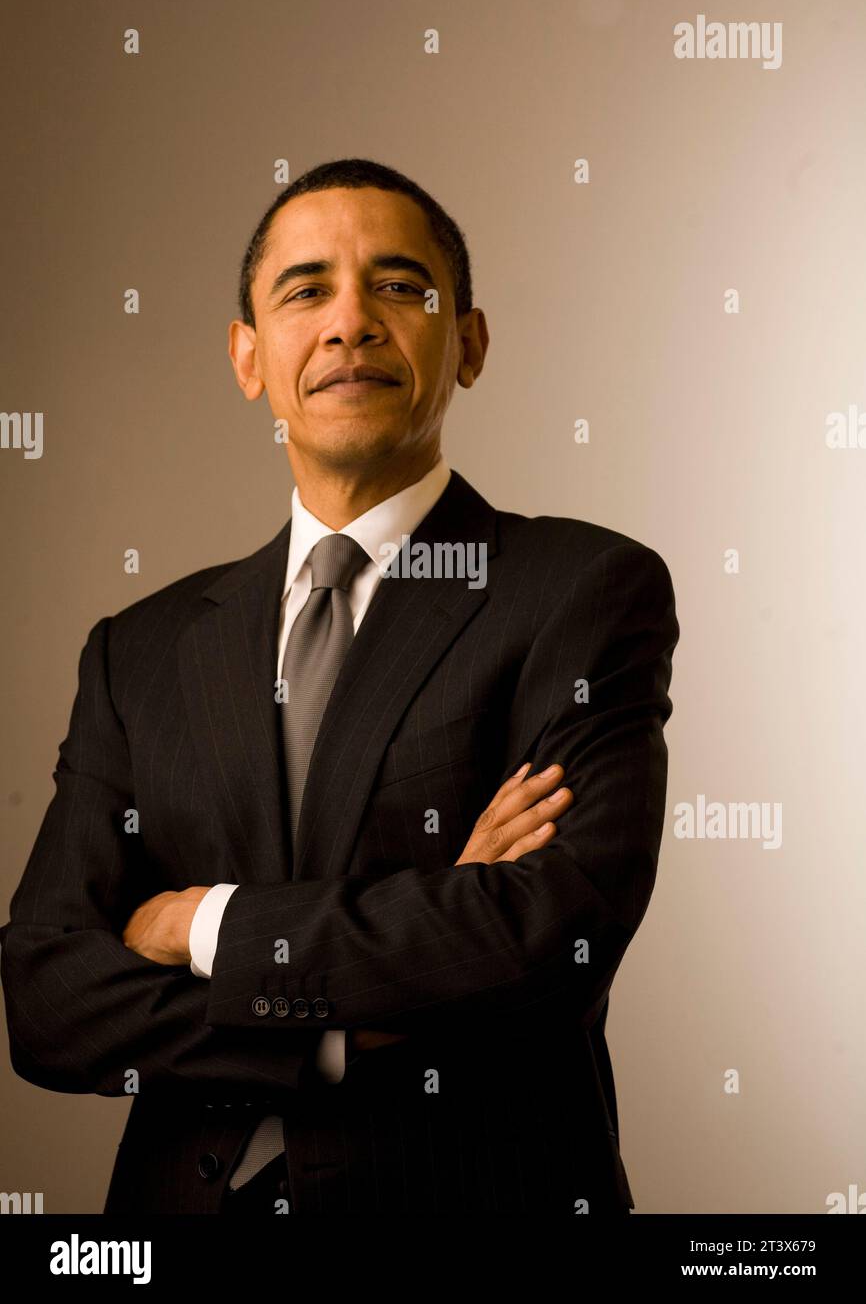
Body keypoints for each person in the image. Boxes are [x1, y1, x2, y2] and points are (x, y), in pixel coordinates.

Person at [0, 157, 679, 1215]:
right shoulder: (138, 649)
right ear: (247, 356)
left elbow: (548, 933)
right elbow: (45, 999)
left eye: (401, 287)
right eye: (305, 290)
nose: (351, 321)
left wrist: (200, 927)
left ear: (469, 343)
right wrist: (341, 1024)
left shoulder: (579, 591)